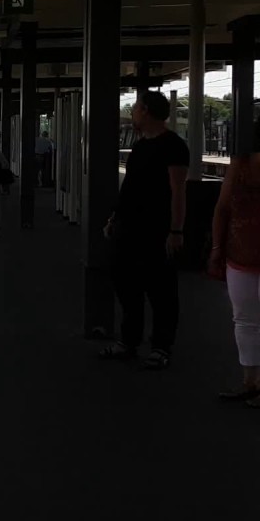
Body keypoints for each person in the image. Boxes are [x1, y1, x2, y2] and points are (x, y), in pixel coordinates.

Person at [99, 91, 189, 370]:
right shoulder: (139, 147)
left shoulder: (173, 145)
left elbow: (178, 191)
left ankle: (161, 346)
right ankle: (129, 340)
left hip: (157, 229)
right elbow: (131, 187)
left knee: (161, 289)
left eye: (137, 108)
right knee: (126, 284)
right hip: (128, 227)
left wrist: (176, 230)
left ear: (146, 111)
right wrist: (115, 217)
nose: (134, 112)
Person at [208, 149, 260, 406]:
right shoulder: (239, 166)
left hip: (241, 252)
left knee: (245, 321)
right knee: (244, 320)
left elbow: (221, 209)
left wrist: (217, 248)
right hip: (241, 255)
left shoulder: (240, 166)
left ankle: (251, 382)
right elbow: (222, 210)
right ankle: (252, 383)